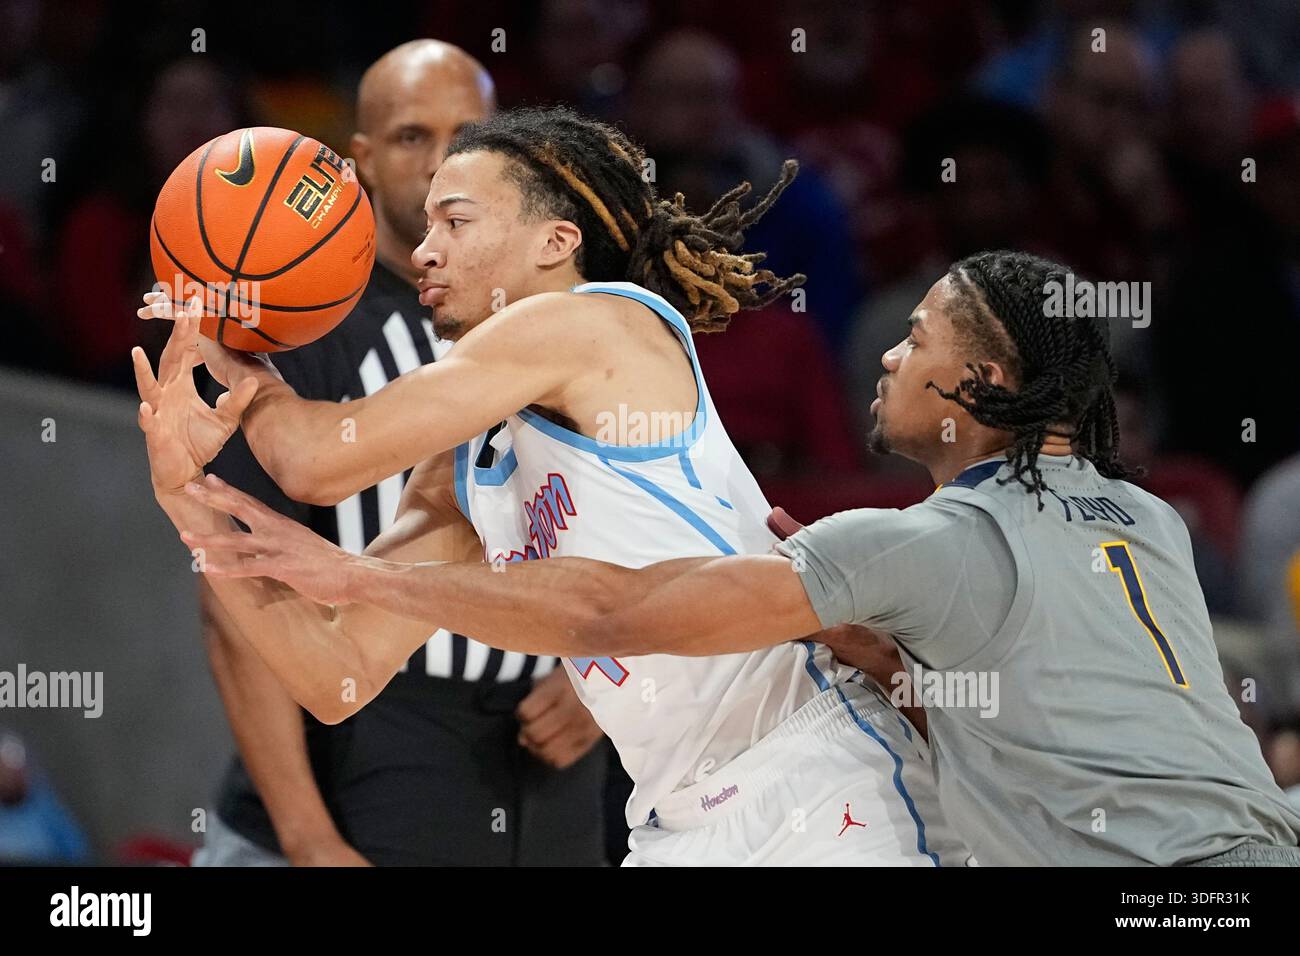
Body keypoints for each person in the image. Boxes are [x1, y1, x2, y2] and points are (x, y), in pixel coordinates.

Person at [180, 250, 1300, 867]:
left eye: (919, 337)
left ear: (988, 385)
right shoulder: (1144, 519)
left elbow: (620, 613)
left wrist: (363, 577)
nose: (892, 353)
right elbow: (1030, 686)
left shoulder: (927, 544)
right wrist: (864, 640)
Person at [134, 105, 968, 866]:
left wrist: (238, 339)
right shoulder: (471, 464)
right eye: (425, 225)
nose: (424, 250)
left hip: (810, 771)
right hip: (679, 819)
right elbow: (336, 676)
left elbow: (314, 461)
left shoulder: (594, 320)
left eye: (456, 221)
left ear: (556, 242)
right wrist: (186, 499)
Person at [190, 41, 607, 868]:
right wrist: (308, 838)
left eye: (471, 135)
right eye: (416, 137)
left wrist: (608, 677)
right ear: (364, 163)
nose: (448, 161)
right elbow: (236, 596)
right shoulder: (293, 328)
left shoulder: (563, 320)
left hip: (550, 749)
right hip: (369, 731)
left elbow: (638, 531)